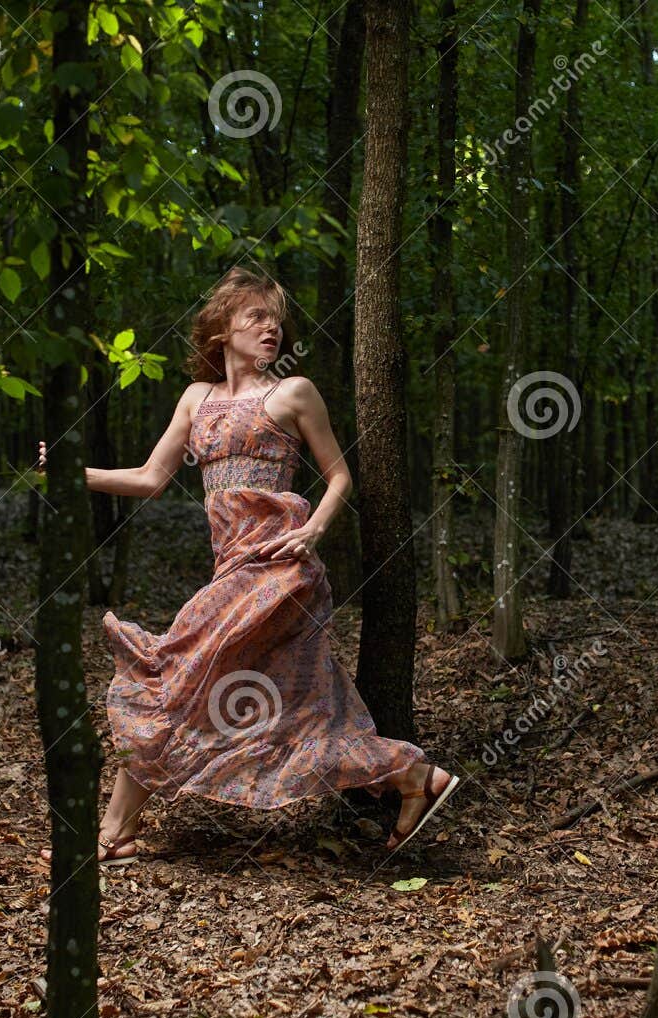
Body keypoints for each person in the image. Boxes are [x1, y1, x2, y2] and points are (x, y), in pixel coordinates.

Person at [39, 265, 458, 863]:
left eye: (276, 321)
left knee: (172, 675)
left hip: (278, 572)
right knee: (288, 710)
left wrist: (311, 532)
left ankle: (111, 832)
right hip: (231, 574)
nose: (272, 330)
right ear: (221, 329)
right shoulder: (196, 400)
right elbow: (151, 478)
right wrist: (70, 473)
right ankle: (413, 777)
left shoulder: (291, 392)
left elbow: (340, 475)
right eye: (256, 317)